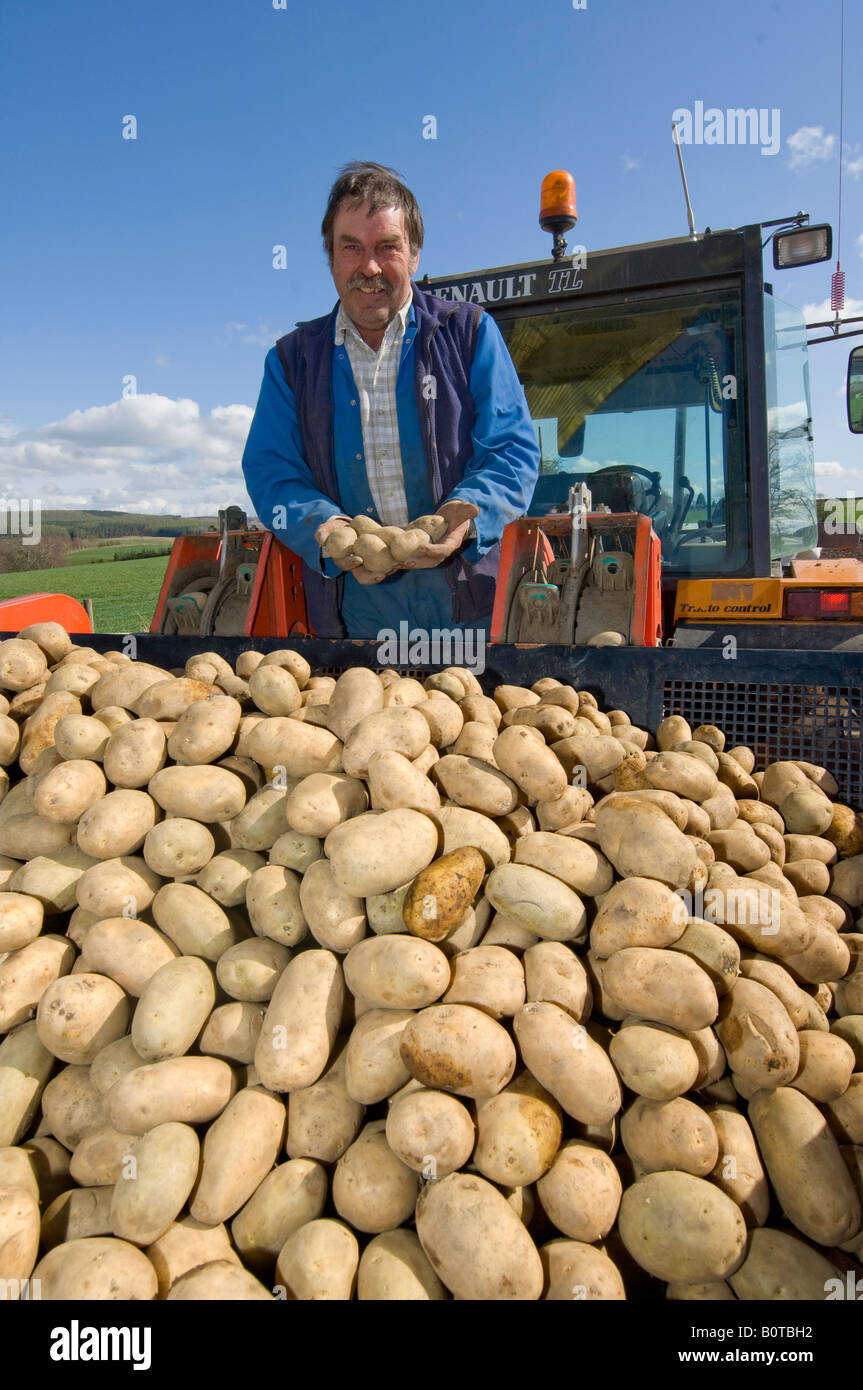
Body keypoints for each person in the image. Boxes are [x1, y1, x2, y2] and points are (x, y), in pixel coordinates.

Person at [241, 161, 540, 639]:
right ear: (332, 257)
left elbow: (511, 451)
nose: (370, 267)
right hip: (351, 613)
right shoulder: (291, 362)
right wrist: (326, 526)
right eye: (351, 248)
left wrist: (465, 513)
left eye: (387, 247)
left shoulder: (469, 334)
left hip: (471, 605)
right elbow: (272, 472)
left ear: (415, 253)